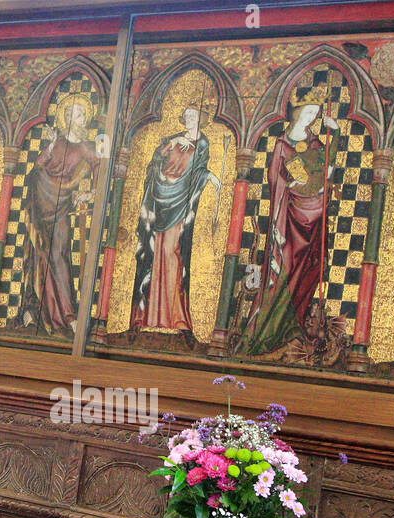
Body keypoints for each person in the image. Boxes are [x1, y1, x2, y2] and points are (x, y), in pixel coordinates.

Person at [237, 101, 339, 356]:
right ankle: (264, 332)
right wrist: (294, 183)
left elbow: (326, 167)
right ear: (296, 115)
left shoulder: (316, 144)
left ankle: (292, 325)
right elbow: (276, 179)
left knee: (306, 268)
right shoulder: (282, 145)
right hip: (288, 215)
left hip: (312, 213)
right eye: (307, 112)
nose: (311, 117)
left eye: (315, 114)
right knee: (282, 269)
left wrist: (334, 135)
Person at [127, 106, 221, 348]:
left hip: (181, 204)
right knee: (154, 253)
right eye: (187, 115)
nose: (190, 119)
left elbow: (197, 171)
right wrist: (171, 143)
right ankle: (147, 315)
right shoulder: (172, 140)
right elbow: (154, 163)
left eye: (194, 115)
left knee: (173, 253)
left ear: (201, 119)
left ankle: (175, 317)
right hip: (160, 199)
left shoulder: (202, 144)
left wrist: (208, 176)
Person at [23, 98, 99, 335]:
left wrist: (89, 194)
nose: (77, 118)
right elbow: (39, 165)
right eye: (72, 114)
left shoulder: (86, 147)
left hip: (61, 205)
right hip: (40, 197)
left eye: (80, 115)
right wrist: (50, 145)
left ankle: (68, 315)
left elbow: (101, 169)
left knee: (59, 255)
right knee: (37, 254)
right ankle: (32, 310)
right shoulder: (57, 142)